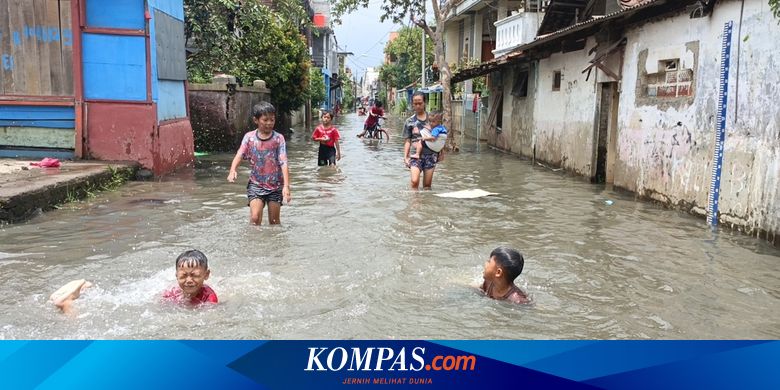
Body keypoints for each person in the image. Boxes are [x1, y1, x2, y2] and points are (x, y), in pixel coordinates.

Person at [228, 102, 291, 225]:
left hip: (275, 185)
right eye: (265, 120)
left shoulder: (278, 138)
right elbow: (240, 154)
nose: (269, 123)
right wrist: (232, 170)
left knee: (274, 221)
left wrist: (286, 186)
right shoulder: (249, 137)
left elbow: (283, 162)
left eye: (272, 120)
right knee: (255, 218)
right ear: (256, 120)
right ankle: (253, 237)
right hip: (256, 184)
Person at [403, 92, 444, 190]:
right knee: (414, 181)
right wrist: (405, 157)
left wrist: (442, 152)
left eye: (420, 103)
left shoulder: (433, 119)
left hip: (431, 154)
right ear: (412, 104)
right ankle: (414, 199)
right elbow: (407, 140)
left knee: (427, 185)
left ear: (425, 103)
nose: (418, 106)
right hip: (415, 155)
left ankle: (425, 200)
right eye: (415, 103)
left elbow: (440, 137)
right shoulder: (409, 121)